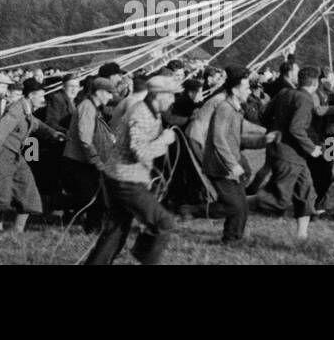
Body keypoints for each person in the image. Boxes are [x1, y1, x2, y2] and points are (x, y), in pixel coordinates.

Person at [84, 74, 180, 264]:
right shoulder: (141, 113)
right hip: (126, 180)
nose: (173, 100)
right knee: (163, 222)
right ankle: (143, 257)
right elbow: (140, 152)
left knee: (116, 229)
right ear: (156, 95)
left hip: (118, 176)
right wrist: (164, 140)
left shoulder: (150, 111)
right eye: (170, 95)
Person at [0, 78, 59, 232]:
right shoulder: (16, 110)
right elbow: (1, 127)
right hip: (3, 155)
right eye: (41, 96)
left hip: (16, 156)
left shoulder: (27, 110)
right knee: (0, 197)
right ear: (31, 95)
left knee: (29, 192)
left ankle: (18, 231)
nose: (44, 99)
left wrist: (53, 133)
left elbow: (36, 124)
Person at [202, 66, 275, 244]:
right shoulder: (225, 108)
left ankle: (233, 238)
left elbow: (239, 136)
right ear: (235, 90)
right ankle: (194, 211)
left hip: (230, 165)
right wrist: (232, 165)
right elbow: (218, 139)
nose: (249, 91)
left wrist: (265, 138)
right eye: (246, 88)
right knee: (235, 206)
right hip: (221, 167)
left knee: (240, 206)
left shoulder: (235, 109)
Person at [257, 65, 324, 238]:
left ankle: (302, 235)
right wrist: (312, 149)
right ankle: (236, 203)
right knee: (278, 199)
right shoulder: (305, 99)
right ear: (315, 83)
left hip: (289, 154)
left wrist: (275, 130)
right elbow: (296, 128)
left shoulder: (284, 93)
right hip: (290, 155)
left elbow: (264, 114)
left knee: (307, 193)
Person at [61, 76, 118, 230]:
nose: (111, 97)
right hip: (78, 161)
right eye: (109, 93)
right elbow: (85, 139)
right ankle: (90, 227)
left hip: (84, 160)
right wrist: (96, 160)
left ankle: (92, 227)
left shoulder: (93, 107)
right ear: (99, 92)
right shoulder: (87, 107)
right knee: (90, 197)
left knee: (94, 197)